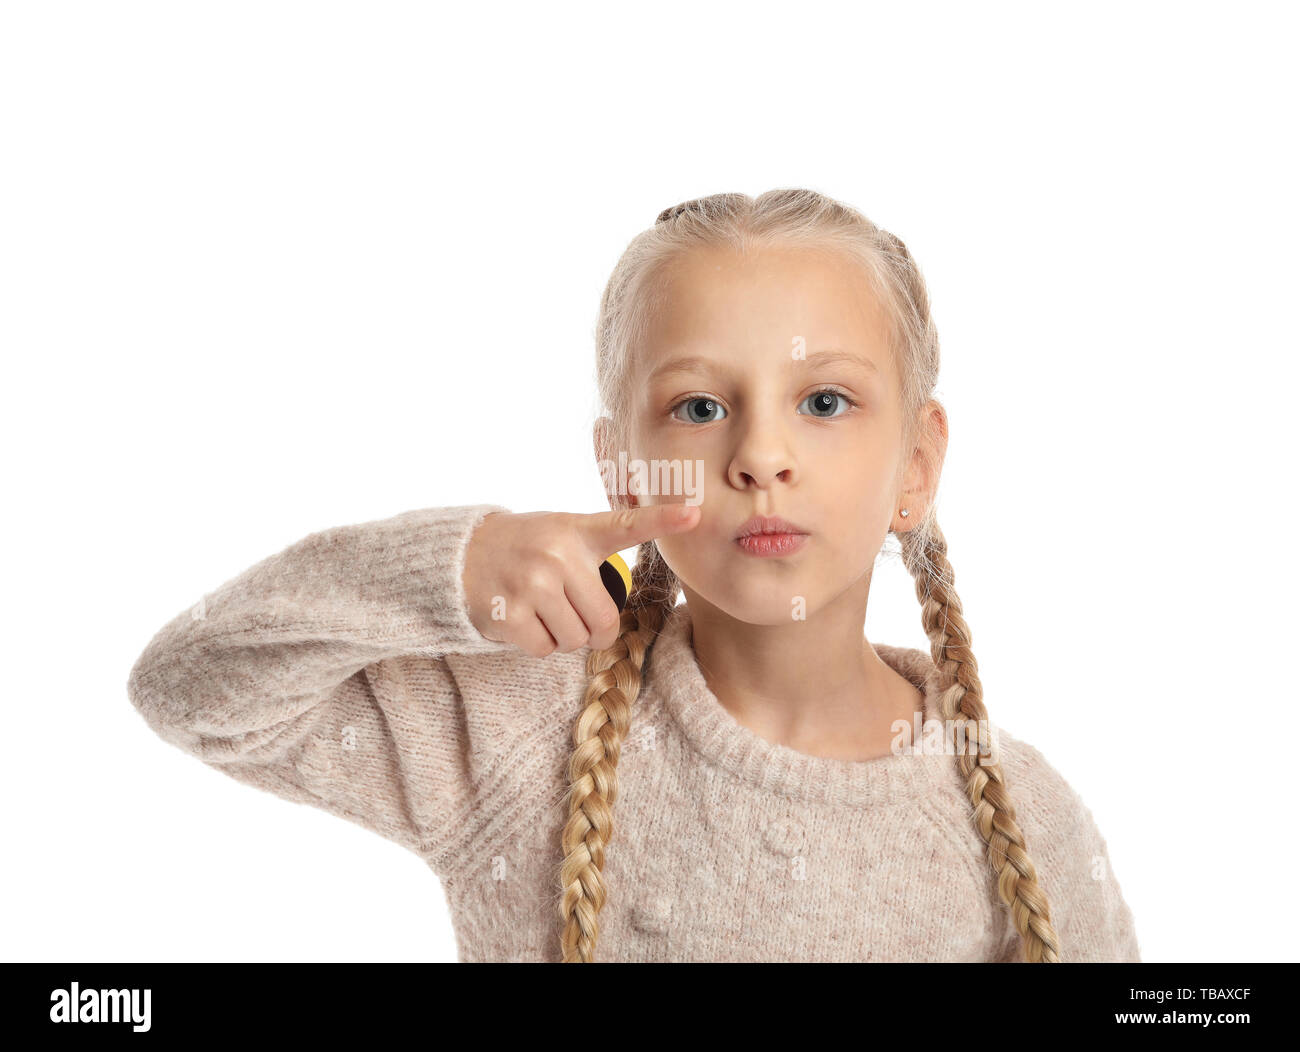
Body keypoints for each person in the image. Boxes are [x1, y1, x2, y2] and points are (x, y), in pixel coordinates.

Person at [127, 188, 1140, 963]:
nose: (760, 455)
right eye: (699, 407)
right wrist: (449, 563)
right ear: (621, 465)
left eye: (824, 400)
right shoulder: (517, 733)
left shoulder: (1019, 810)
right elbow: (191, 686)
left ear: (914, 465)